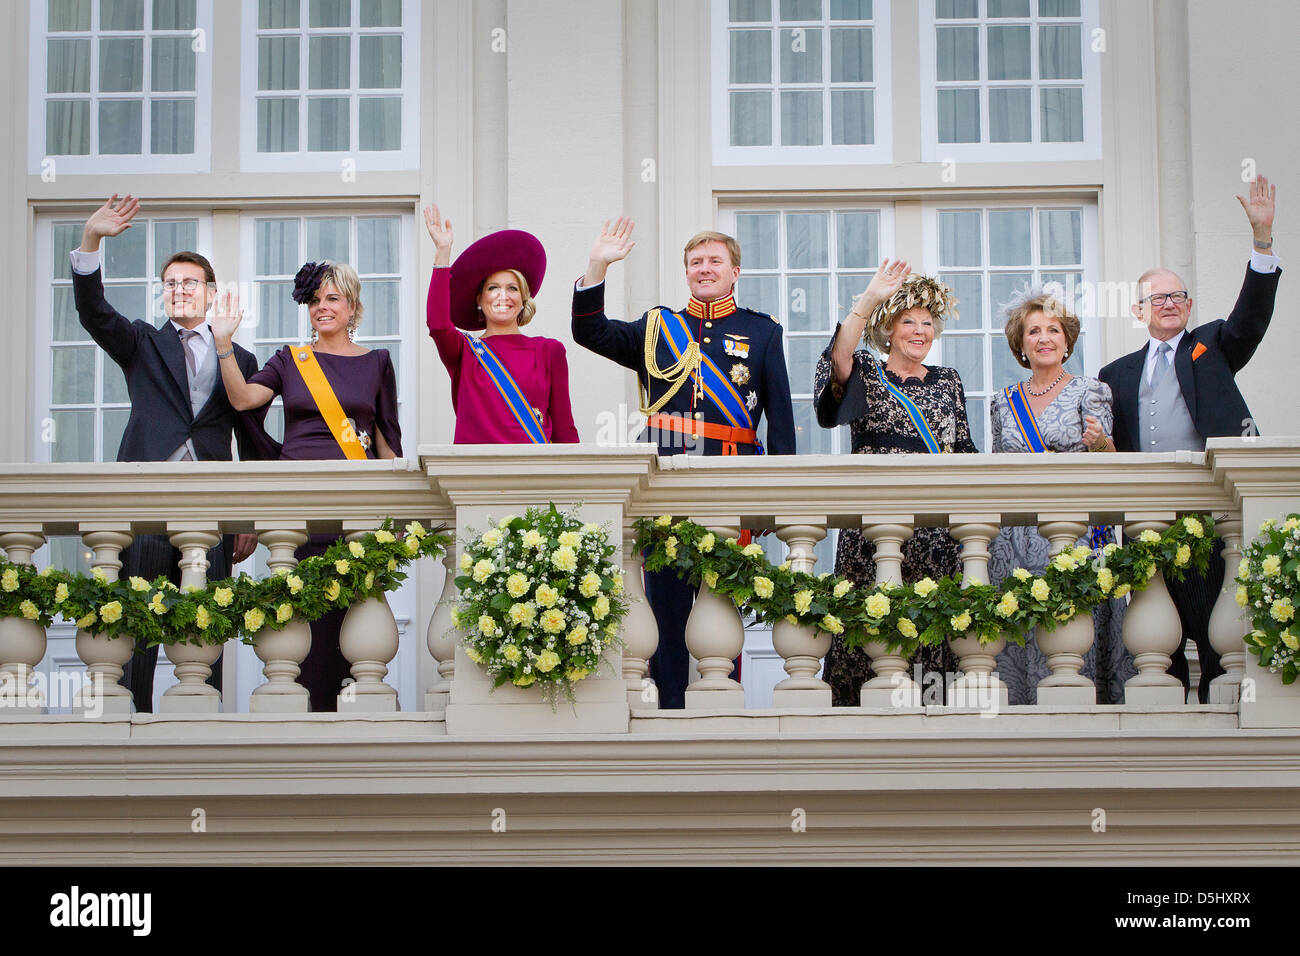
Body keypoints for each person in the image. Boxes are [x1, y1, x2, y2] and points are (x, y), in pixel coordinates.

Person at [572, 218, 796, 708]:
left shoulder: (763, 332)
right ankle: (671, 708)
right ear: (686, 272)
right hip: (666, 484)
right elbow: (590, 332)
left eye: (715, 261)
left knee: (721, 600)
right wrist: (598, 266)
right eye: (696, 262)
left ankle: (722, 706)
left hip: (729, 482)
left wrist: (772, 499)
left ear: (736, 271)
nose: (704, 269)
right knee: (665, 610)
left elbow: (780, 423)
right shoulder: (657, 329)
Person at [72, 193, 261, 713]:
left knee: (208, 620)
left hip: (213, 509)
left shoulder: (239, 356)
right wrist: (92, 242)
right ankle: (131, 723)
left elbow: (248, 436)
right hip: (147, 506)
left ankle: (202, 726)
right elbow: (93, 311)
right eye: (171, 284)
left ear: (211, 293)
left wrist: (248, 512)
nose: (180, 291)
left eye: (190, 283)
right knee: (138, 622)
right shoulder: (141, 343)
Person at [1099, 173, 1281, 703]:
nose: (1170, 303)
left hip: (1205, 509)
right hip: (1147, 516)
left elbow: (1252, 318)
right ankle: (1165, 713)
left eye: (1178, 295)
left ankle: (1218, 708)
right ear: (1138, 311)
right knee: (1159, 631)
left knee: (1209, 619)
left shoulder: (1213, 345)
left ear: (1190, 304)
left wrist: (1262, 242)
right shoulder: (1116, 373)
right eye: (1157, 298)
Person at [211, 260, 401, 712]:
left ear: (353, 306)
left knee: (356, 620)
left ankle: (358, 737)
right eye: (314, 300)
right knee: (304, 621)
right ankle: (307, 728)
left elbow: (387, 442)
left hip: (356, 507)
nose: (322, 307)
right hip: (298, 508)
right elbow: (242, 399)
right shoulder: (289, 360)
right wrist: (223, 344)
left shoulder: (377, 362)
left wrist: (393, 514)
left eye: (332, 298)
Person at [814, 261, 977, 706]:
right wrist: (868, 298)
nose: (920, 331)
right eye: (909, 321)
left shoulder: (948, 381)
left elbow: (964, 450)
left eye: (928, 322)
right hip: (874, 523)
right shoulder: (866, 369)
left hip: (935, 530)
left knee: (929, 630)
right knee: (871, 624)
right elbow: (837, 359)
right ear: (888, 327)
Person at [987, 289, 1133, 704]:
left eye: (1053, 329)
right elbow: (997, 473)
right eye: (1034, 331)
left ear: (1067, 341)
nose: (1044, 338)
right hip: (1014, 542)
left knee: (1073, 628)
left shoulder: (1092, 390)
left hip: (1076, 535)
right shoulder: (1002, 402)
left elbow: (1110, 462)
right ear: (1021, 344)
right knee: (1021, 634)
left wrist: (1101, 442)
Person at [423, 205, 578, 443]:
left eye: (512, 288)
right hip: (476, 474)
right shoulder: (464, 351)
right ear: (480, 299)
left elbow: (564, 429)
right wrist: (443, 252)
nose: (503, 296)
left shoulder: (549, 351)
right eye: (493, 288)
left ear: (523, 298)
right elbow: (438, 324)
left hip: (534, 473)